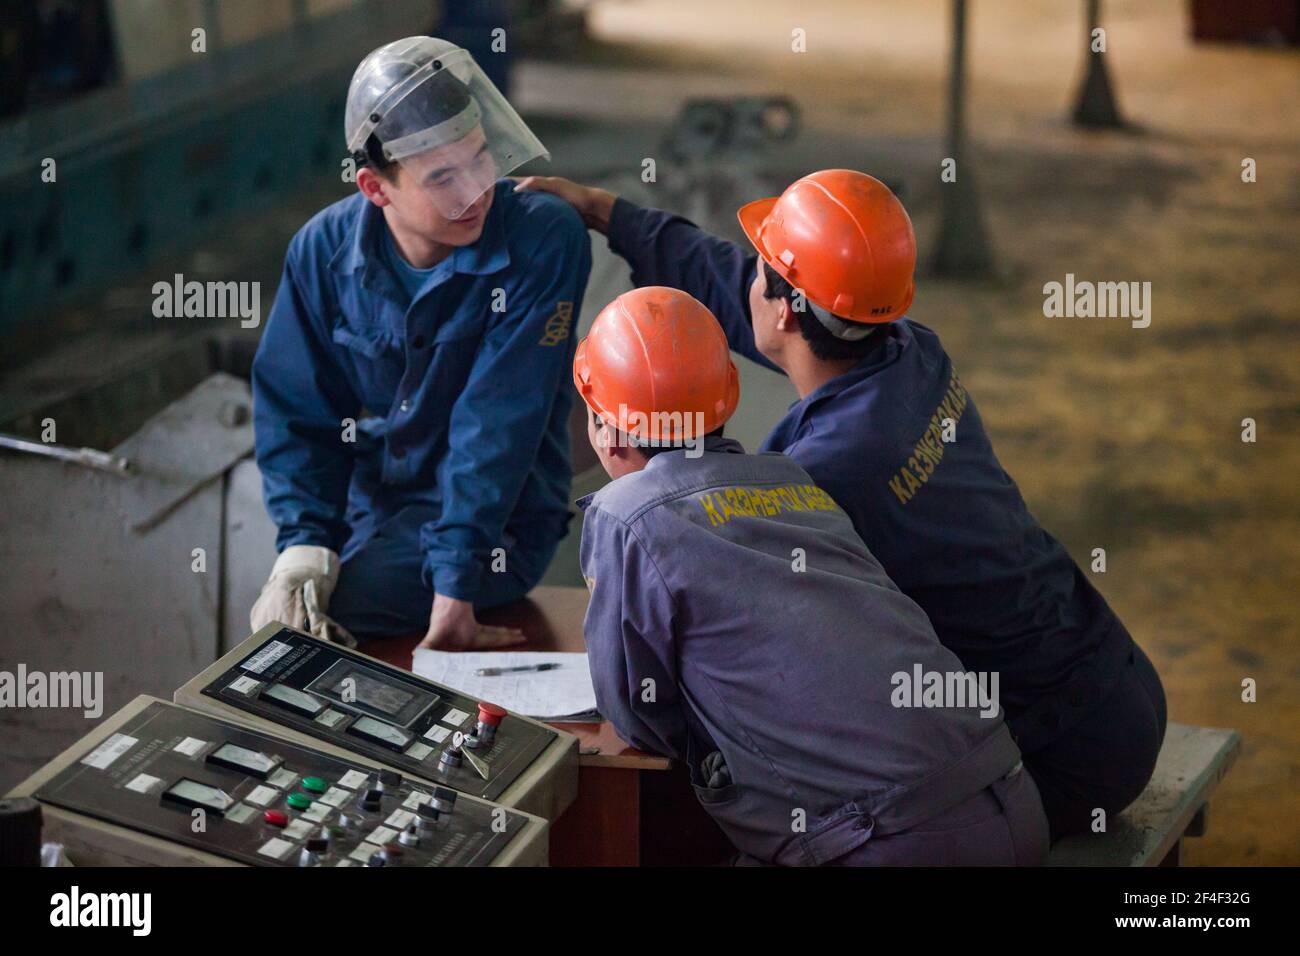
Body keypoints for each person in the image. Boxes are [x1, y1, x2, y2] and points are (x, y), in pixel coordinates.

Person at [519, 169, 1164, 840]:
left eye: (761, 270)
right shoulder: (914, 353)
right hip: (1119, 682)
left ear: (787, 312)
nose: (747, 279)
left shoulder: (822, 482)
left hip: (1058, 752)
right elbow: (738, 280)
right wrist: (604, 211)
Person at [574, 286, 1049, 865]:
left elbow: (636, 712)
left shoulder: (629, 515)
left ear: (607, 428)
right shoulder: (791, 479)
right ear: (724, 400)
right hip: (1013, 794)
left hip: (895, 843)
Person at [249, 37, 591, 650]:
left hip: (498, 528)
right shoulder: (321, 253)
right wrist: (305, 546)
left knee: (326, 628)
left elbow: (498, 422)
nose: (477, 191)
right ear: (376, 189)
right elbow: (297, 411)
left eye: (482, 159)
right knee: (289, 616)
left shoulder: (542, 240)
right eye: (442, 179)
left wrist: (457, 583)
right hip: (374, 511)